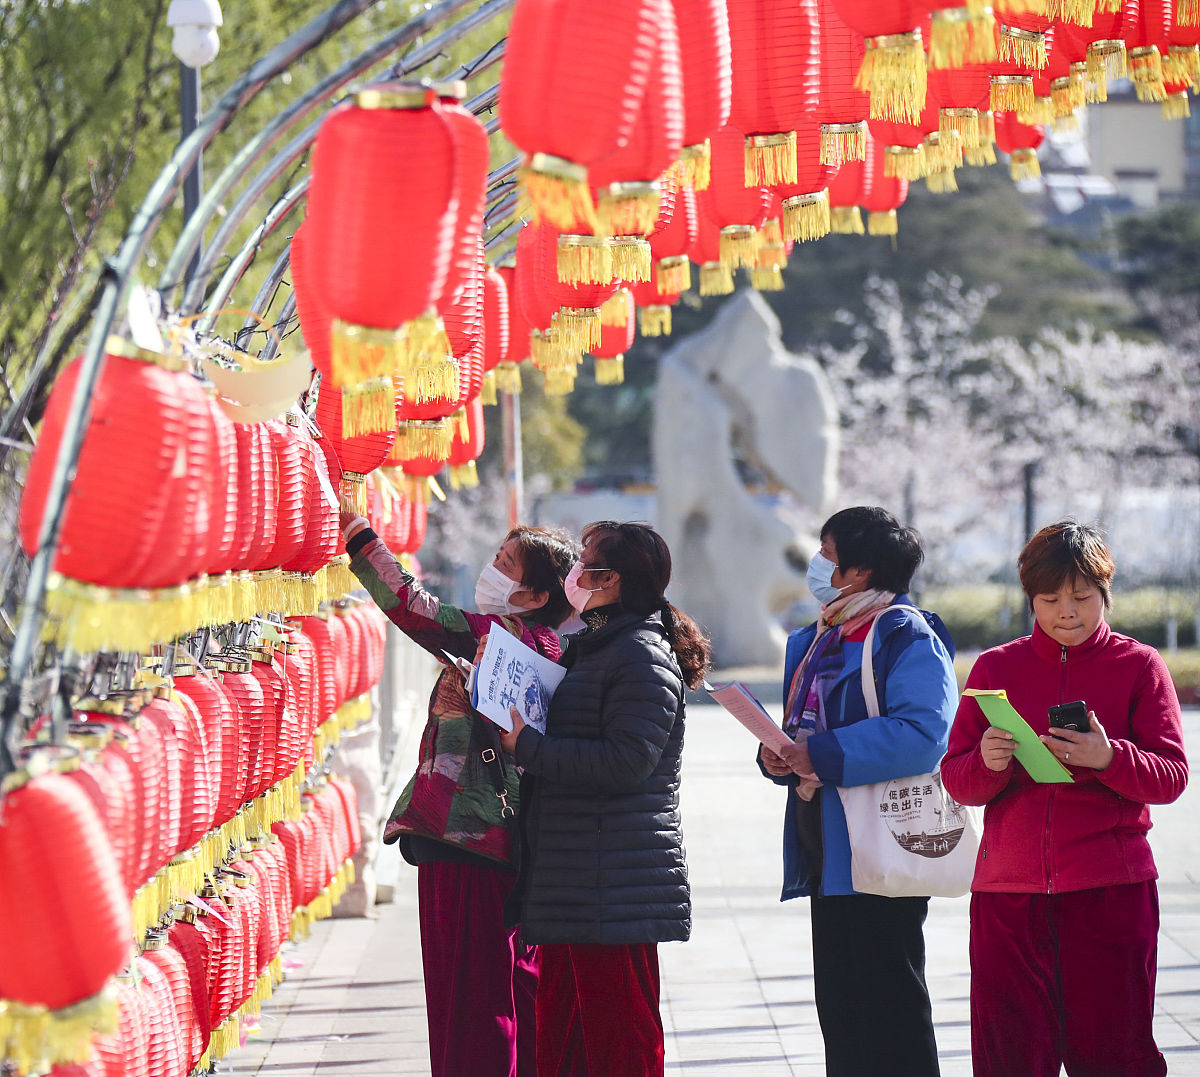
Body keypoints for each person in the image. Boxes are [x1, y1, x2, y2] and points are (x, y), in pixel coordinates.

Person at [941, 520, 1188, 1077]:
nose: (1066, 612)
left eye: (1081, 597)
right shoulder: (995, 668)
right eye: (1049, 599)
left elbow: (1171, 776)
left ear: (1105, 593)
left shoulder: (1139, 666)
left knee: (1113, 1052)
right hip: (1007, 894)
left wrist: (1109, 758)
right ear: (1031, 599)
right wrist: (987, 762)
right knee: (1008, 1056)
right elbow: (956, 780)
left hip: (1109, 891)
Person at [340, 510, 579, 1077]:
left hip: (467, 835)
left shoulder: (502, 639)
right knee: (506, 983)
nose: (491, 569)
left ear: (535, 593)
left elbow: (413, 609)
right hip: (498, 838)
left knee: (470, 993)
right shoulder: (542, 644)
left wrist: (361, 540)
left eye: (506, 563)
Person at [496, 521, 711, 1077]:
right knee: (565, 1040)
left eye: (584, 561)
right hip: (577, 876)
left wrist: (532, 748)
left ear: (609, 579)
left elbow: (625, 762)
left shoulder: (640, 656)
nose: (574, 570)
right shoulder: (597, 646)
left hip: (614, 884)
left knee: (620, 1040)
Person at [758, 505, 957, 1077]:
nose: (818, 565)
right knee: (843, 1012)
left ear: (860, 572)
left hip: (881, 845)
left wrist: (817, 754)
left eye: (828, 554)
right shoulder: (824, 635)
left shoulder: (904, 633)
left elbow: (923, 733)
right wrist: (778, 754)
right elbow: (806, 725)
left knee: (891, 1008)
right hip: (829, 847)